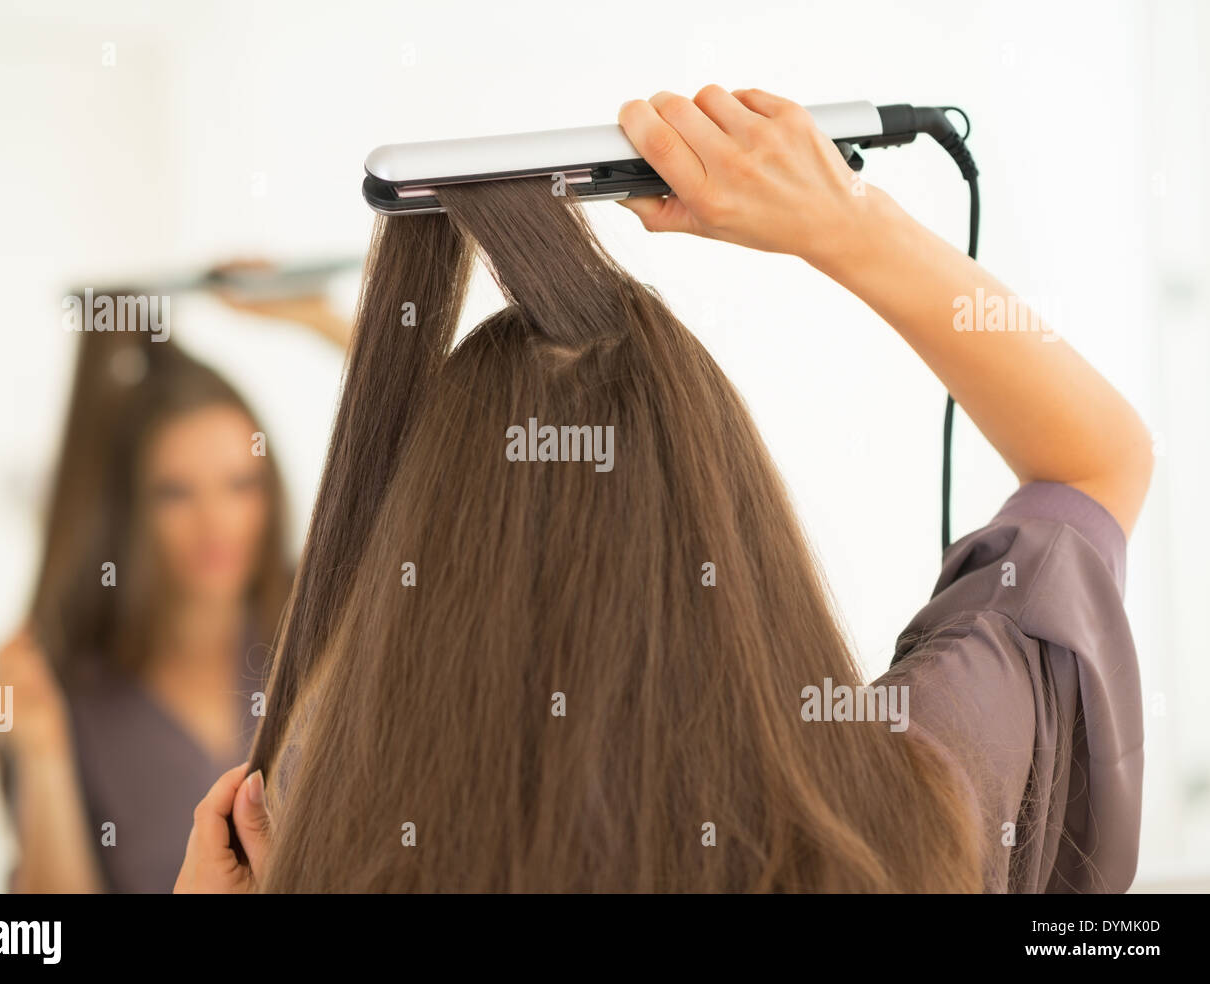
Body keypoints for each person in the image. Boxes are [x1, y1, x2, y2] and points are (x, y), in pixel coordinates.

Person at [175, 87, 1151, 893]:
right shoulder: (899, 824)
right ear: (725, 517)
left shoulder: (331, 855)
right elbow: (1090, 470)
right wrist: (846, 225)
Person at [0, 282, 352, 893]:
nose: (217, 525)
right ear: (130, 509)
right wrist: (43, 754)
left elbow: (450, 466)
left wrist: (326, 323)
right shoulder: (67, 691)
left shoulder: (321, 624)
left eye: (240, 484)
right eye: (176, 493)